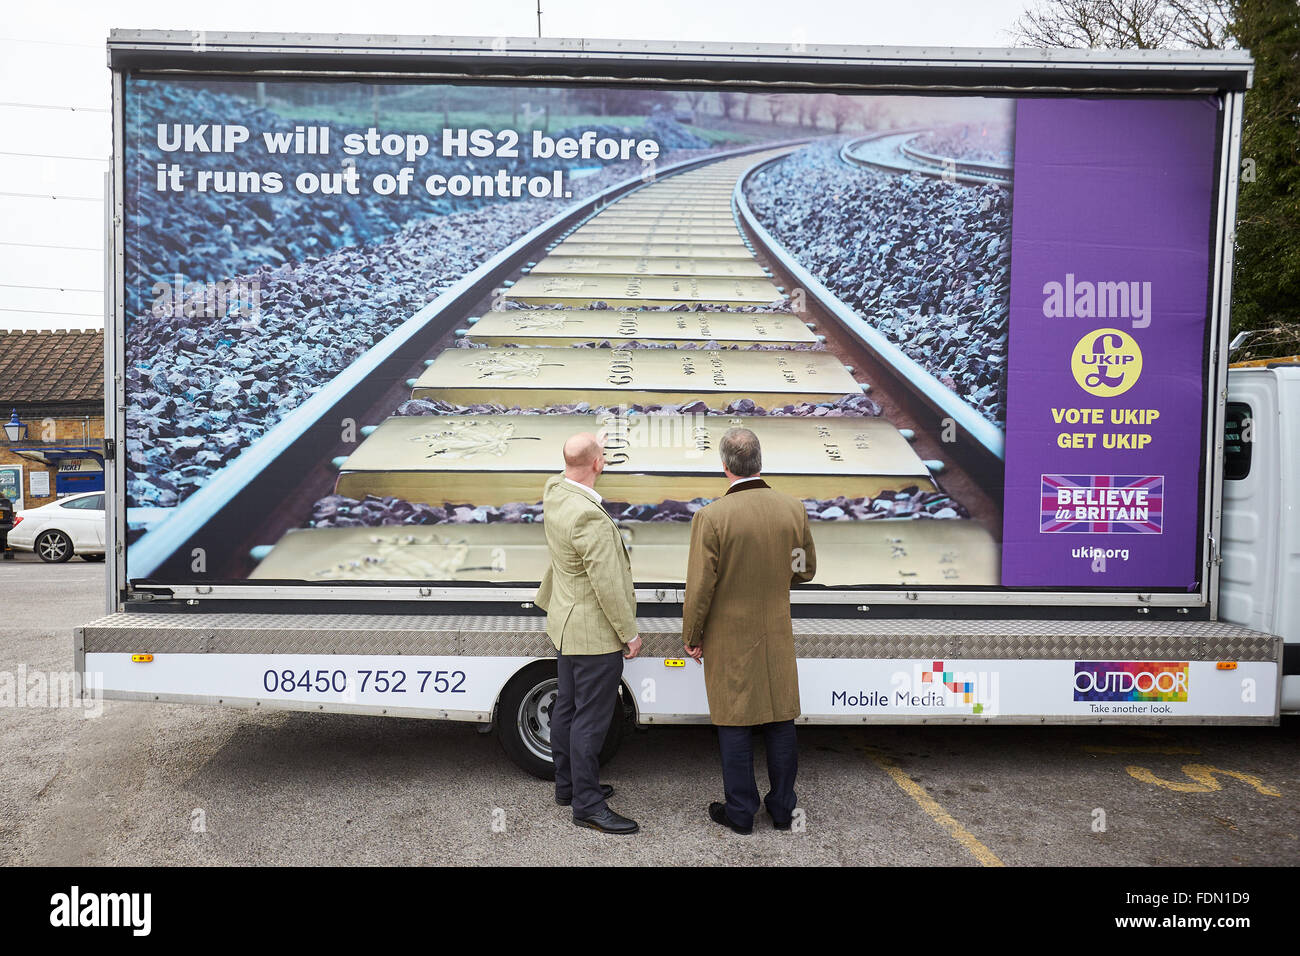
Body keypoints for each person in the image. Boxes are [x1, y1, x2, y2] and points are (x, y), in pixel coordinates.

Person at [682, 427, 817, 834]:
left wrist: (692, 635)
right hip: (775, 630)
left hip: (728, 634)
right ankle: (782, 809)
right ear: (759, 462)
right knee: (780, 718)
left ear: (725, 467)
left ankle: (740, 812)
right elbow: (805, 570)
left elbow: (701, 587)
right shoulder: (793, 510)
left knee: (734, 720)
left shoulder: (711, 518)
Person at [534, 431, 642, 835]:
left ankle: (569, 786)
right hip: (593, 634)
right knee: (589, 722)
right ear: (598, 464)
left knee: (566, 708)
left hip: (564, 626)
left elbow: (570, 465)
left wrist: (586, 446)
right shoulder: (588, 516)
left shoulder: (554, 491)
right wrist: (629, 633)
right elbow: (608, 583)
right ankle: (587, 806)